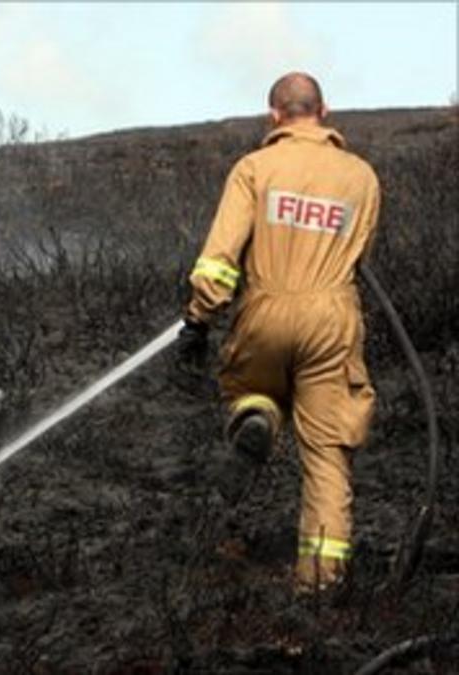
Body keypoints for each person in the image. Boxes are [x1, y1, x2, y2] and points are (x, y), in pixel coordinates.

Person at [174, 73, 380, 593]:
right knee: (327, 454)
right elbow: (360, 255)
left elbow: (220, 260)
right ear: (324, 110)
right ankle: (321, 583)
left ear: (274, 116)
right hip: (333, 318)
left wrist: (199, 319)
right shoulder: (361, 177)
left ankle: (258, 414)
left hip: (265, 310)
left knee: (248, 388)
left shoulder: (254, 169)